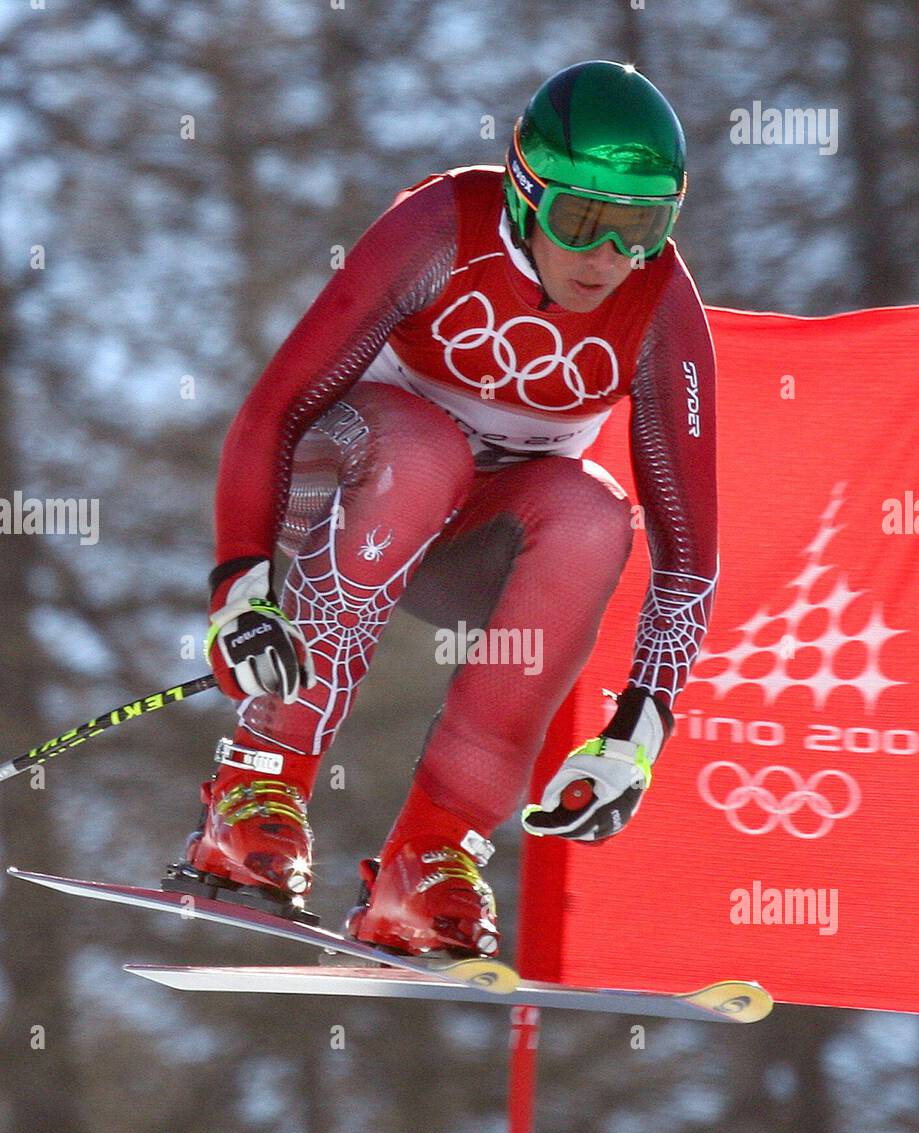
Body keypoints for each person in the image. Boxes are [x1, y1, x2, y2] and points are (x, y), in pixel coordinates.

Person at [175, 59, 718, 960]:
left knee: (593, 517)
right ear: (523, 194)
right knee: (427, 452)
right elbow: (276, 410)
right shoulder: (441, 229)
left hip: (470, 541)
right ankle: (260, 783)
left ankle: (430, 857)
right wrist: (239, 587)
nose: (608, 260)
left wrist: (638, 731)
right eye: (582, 221)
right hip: (345, 483)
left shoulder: (659, 307)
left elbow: (690, 557)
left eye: (643, 229)